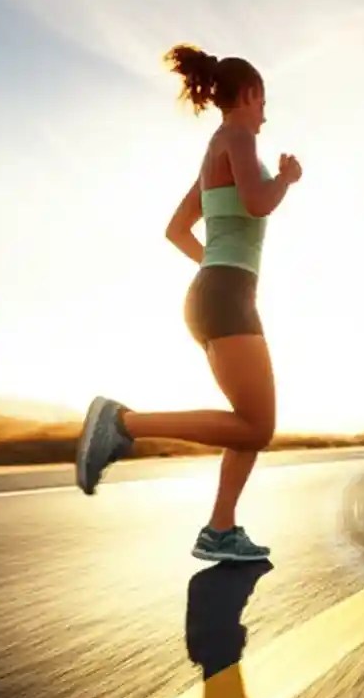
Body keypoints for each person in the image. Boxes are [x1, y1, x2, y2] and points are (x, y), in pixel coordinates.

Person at [75, 44, 302, 563]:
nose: (265, 116)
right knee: (257, 426)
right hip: (224, 295)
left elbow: (177, 229)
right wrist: (285, 180)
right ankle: (123, 424)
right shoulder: (237, 137)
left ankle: (220, 530)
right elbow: (257, 202)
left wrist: (214, 269)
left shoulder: (214, 155)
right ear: (250, 94)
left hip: (216, 292)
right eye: (264, 103)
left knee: (249, 422)